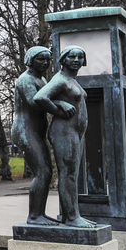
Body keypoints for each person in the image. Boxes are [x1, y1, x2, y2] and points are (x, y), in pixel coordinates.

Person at [34, 46, 98, 228]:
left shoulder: (71, 80)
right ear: (63, 60)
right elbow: (40, 97)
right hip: (64, 132)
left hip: (75, 132)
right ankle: (71, 217)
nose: (76, 60)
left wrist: (60, 102)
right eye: (71, 57)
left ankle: (72, 215)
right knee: (68, 174)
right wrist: (58, 108)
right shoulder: (60, 79)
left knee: (72, 174)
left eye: (80, 57)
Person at [12, 46, 57, 225]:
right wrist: (60, 107)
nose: (45, 63)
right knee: (42, 172)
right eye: (40, 59)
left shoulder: (42, 79)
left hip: (37, 132)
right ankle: (34, 216)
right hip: (25, 131)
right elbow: (35, 101)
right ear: (30, 60)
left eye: (47, 60)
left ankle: (40, 213)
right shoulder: (25, 79)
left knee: (47, 172)